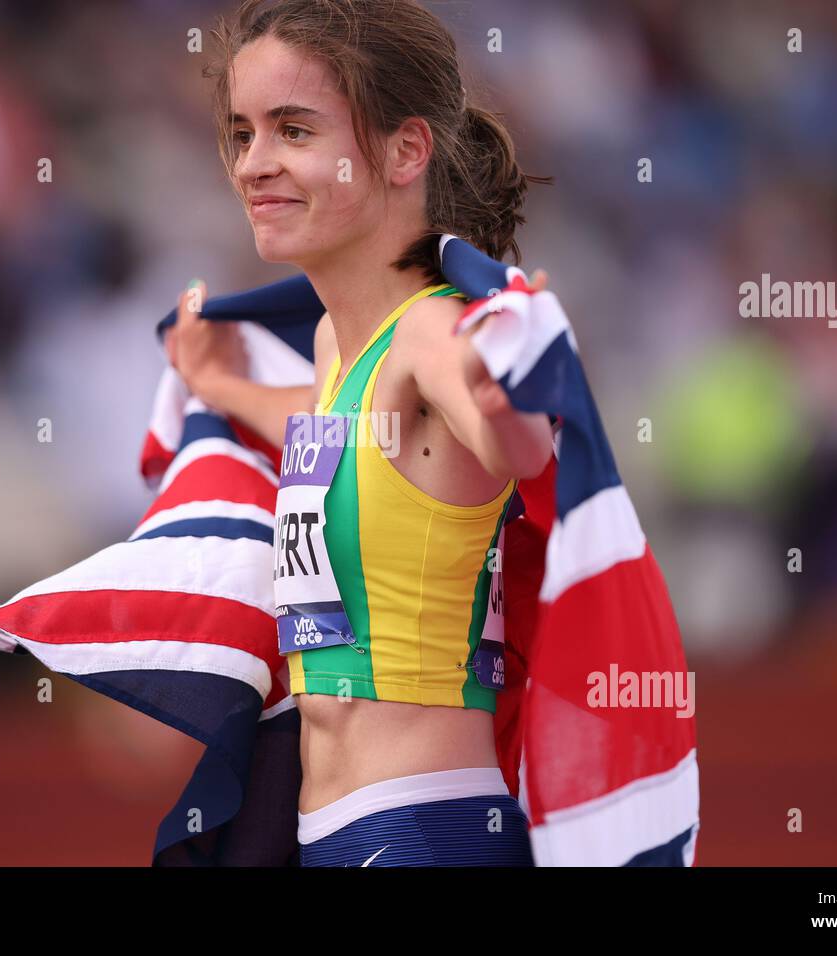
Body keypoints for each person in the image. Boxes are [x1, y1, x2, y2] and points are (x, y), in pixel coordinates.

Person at [164, 0, 554, 866]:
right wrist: (217, 381)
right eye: (241, 134)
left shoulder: (435, 337)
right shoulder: (342, 345)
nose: (253, 165)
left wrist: (511, 395)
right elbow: (324, 426)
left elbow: (525, 453)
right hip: (334, 832)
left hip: (424, 830)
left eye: (293, 130)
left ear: (404, 151)